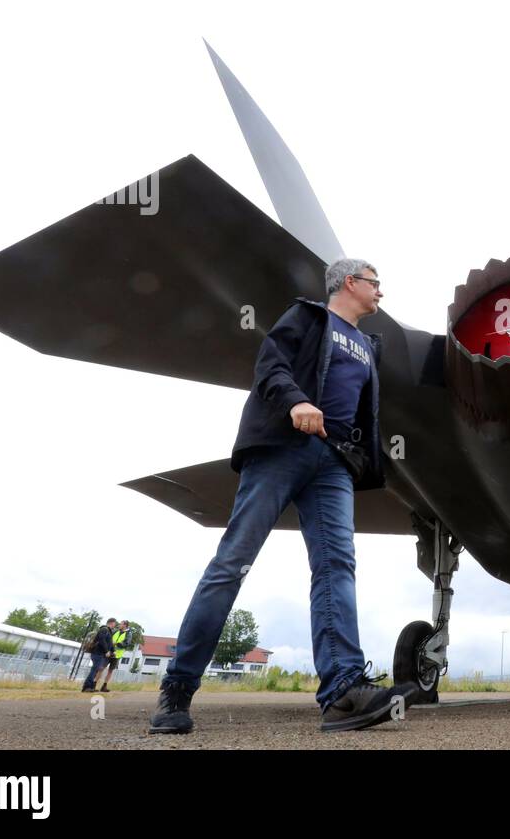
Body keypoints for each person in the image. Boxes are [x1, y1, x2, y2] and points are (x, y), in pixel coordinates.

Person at [149, 259, 417, 734]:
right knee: (233, 561)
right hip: (282, 449)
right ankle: (178, 686)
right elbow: (269, 367)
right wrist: (297, 401)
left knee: (337, 566)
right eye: (376, 284)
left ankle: (342, 693)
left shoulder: (367, 346)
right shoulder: (307, 317)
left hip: (333, 463)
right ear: (350, 283)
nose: (382, 293)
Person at [95, 619, 131, 692]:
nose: (119, 625)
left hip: (117, 655)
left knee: (110, 671)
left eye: (121, 624)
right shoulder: (115, 631)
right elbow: (109, 638)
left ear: (125, 625)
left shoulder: (128, 634)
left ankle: (104, 686)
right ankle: (94, 684)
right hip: (109, 653)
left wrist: (116, 643)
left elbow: (126, 644)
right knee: (101, 668)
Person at [82, 618, 117, 692]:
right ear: (111, 623)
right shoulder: (104, 629)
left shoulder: (109, 631)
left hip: (101, 654)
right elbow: (102, 640)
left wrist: (113, 651)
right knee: (94, 670)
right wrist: (107, 651)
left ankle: (91, 687)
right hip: (97, 653)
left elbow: (109, 643)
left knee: (96, 669)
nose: (115, 625)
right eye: (114, 623)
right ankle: (86, 687)